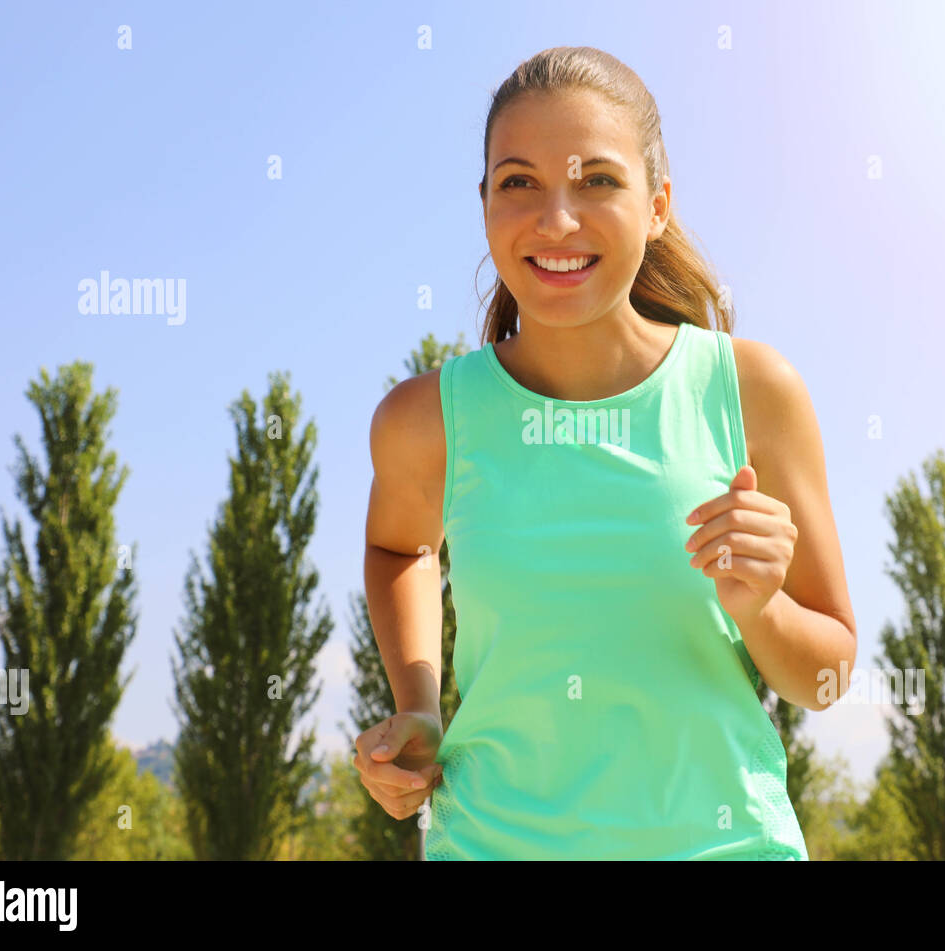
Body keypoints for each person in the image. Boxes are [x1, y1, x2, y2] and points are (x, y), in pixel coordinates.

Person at [355, 46, 857, 860]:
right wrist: (419, 703)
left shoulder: (753, 390)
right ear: (484, 204)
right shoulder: (424, 420)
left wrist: (761, 606)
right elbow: (396, 546)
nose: (556, 220)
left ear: (657, 205)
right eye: (519, 182)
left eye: (597, 181)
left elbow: (827, 677)